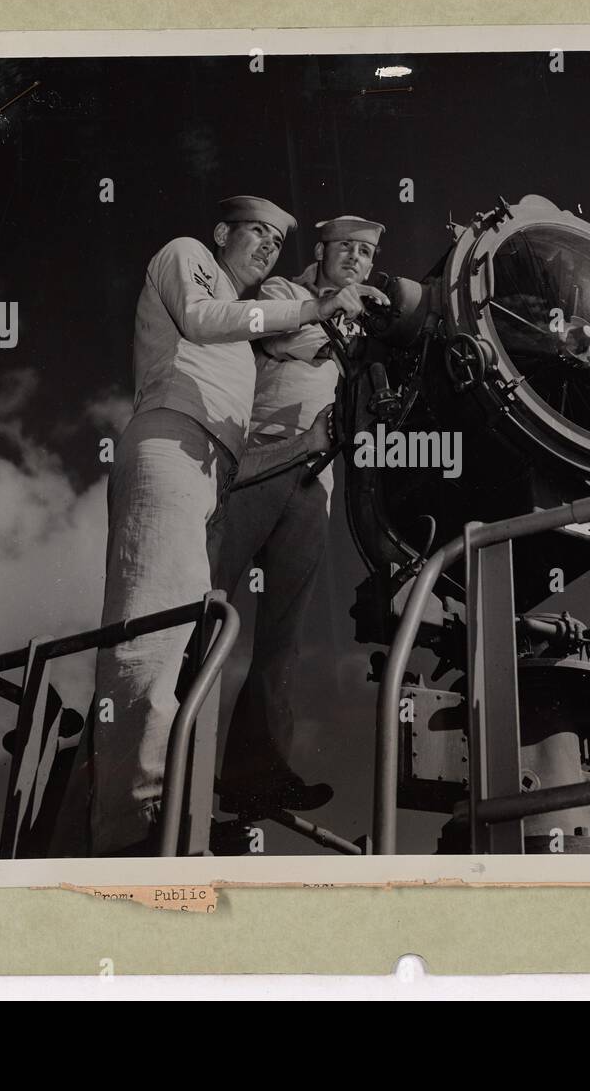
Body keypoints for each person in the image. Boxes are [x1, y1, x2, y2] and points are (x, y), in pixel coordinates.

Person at [90, 196, 367, 856]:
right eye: (257, 232)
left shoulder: (242, 354)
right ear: (221, 233)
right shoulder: (188, 256)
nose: (269, 246)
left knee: (195, 632)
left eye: (278, 239)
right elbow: (203, 317)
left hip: (212, 470)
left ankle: (172, 800)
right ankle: (139, 818)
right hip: (171, 443)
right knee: (158, 630)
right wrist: (312, 309)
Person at [211, 216, 388, 819]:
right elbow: (282, 341)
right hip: (259, 462)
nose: (358, 261)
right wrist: (342, 316)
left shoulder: (360, 320)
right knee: (200, 614)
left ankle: (253, 775)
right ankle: (149, 761)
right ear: (322, 253)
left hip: (316, 482)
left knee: (280, 641)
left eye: (366, 254)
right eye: (348, 249)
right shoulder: (286, 294)